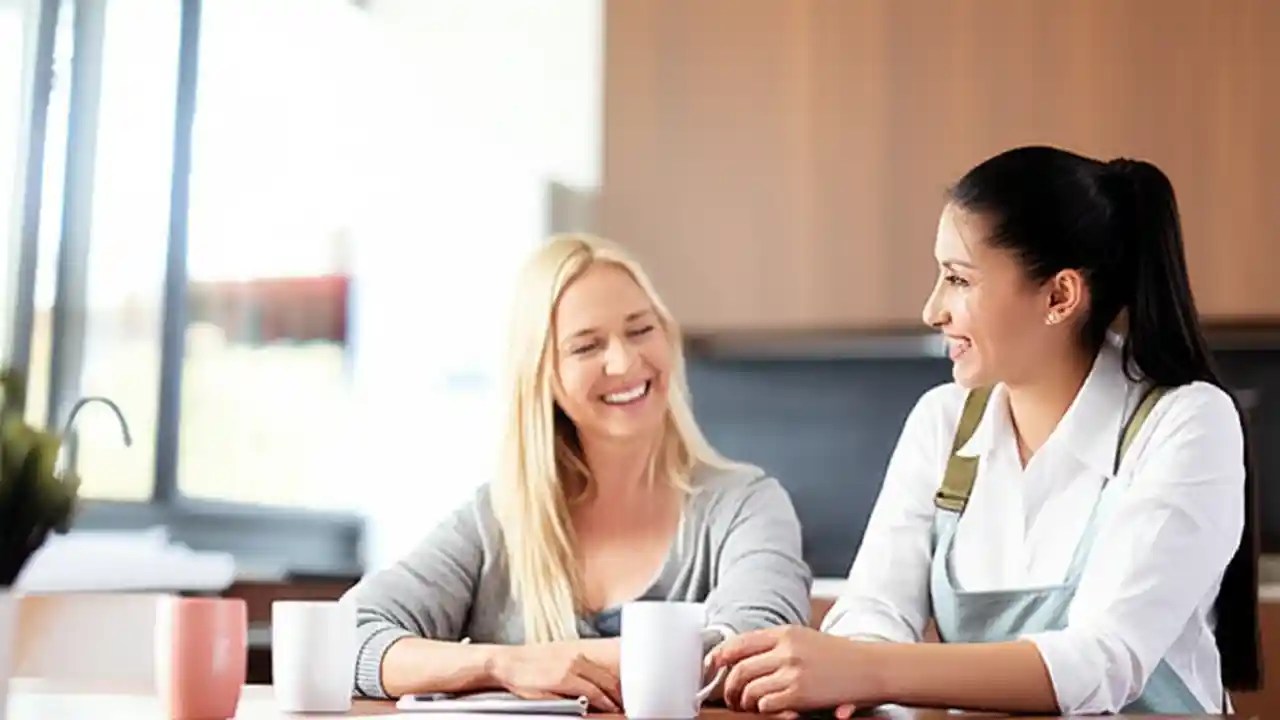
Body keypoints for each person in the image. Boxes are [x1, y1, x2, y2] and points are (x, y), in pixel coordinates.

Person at [709, 146, 1259, 716]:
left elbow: (1102, 661)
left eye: (958, 280)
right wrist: (850, 668)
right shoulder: (942, 421)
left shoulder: (1186, 424)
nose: (932, 310)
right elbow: (873, 608)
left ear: (1059, 296)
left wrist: (865, 670)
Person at [346, 233, 811, 710]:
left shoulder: (746, 504)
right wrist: (503, 665)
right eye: (587, 346)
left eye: (640, 330)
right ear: (542, 375)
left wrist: (553, 659)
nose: (625, 361)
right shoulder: (497, 519)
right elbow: (345, 639)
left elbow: (761, 650)